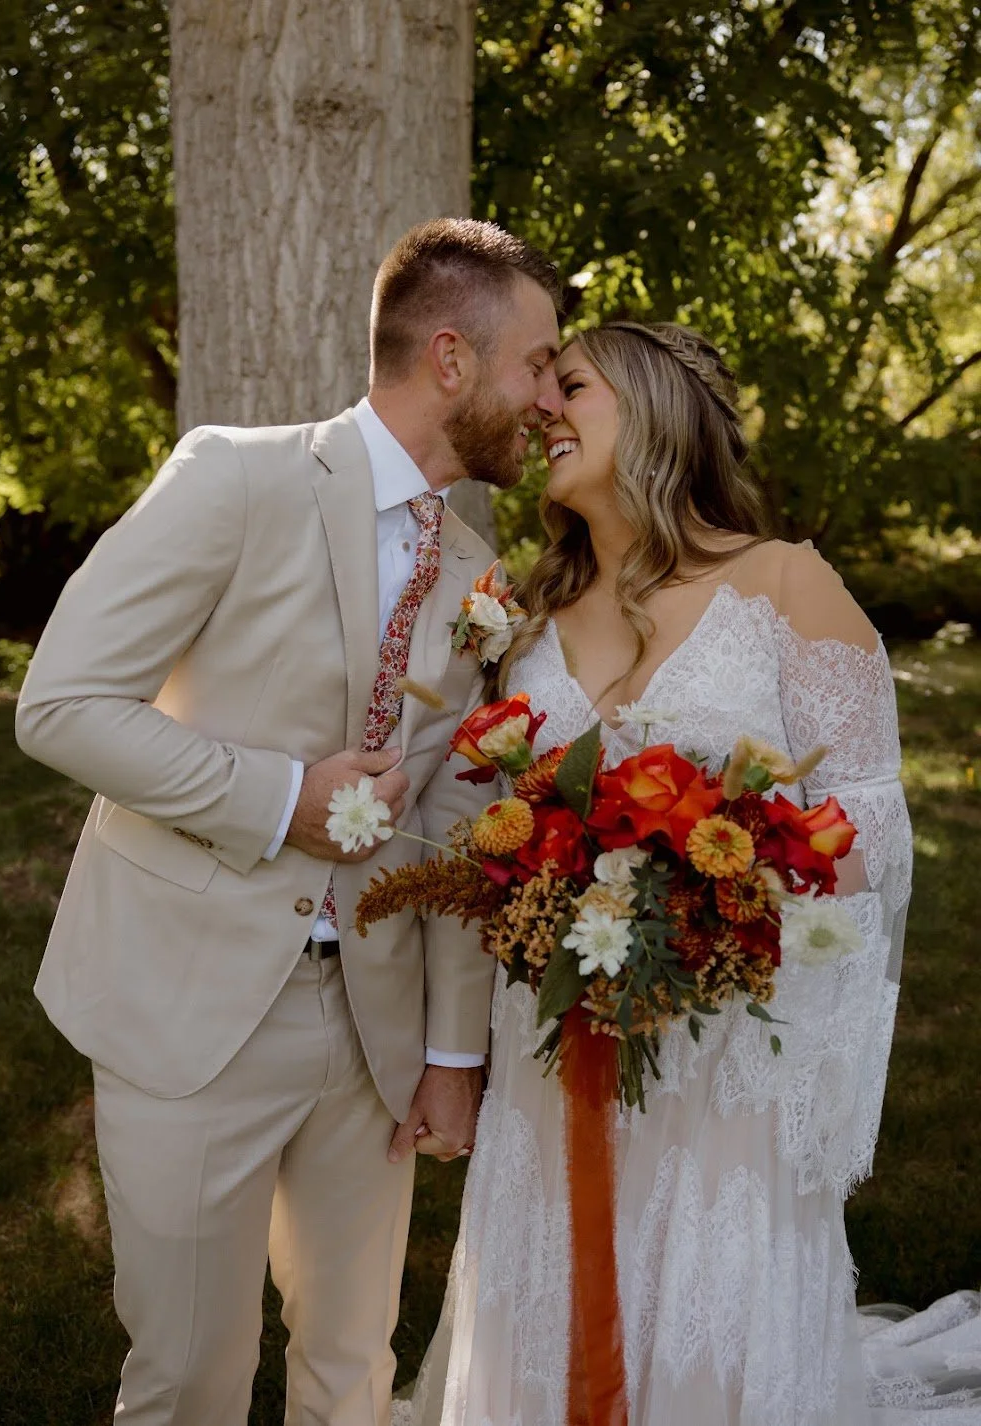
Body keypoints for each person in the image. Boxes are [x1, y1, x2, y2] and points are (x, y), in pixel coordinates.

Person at [14, 217, 563, 1426]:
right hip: (186, 1010)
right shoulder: (236, 476)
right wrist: (280, 799)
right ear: (452, 358)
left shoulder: (479, 570)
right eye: (537, 363)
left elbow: (468, 818)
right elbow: (60, 707)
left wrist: (455, 1054)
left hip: (370, 1034)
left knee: (351, 1372)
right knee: (191, 1380)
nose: (550, 398)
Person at [401, 319, 944, 1425]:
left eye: (574, 386)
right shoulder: (521, 621)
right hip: (557, 1042)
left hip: (719, 1052)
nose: (543, 408)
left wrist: (711, 901)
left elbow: (874, 834)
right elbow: (488, 823)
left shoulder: (786, 585)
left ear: (654, 408)